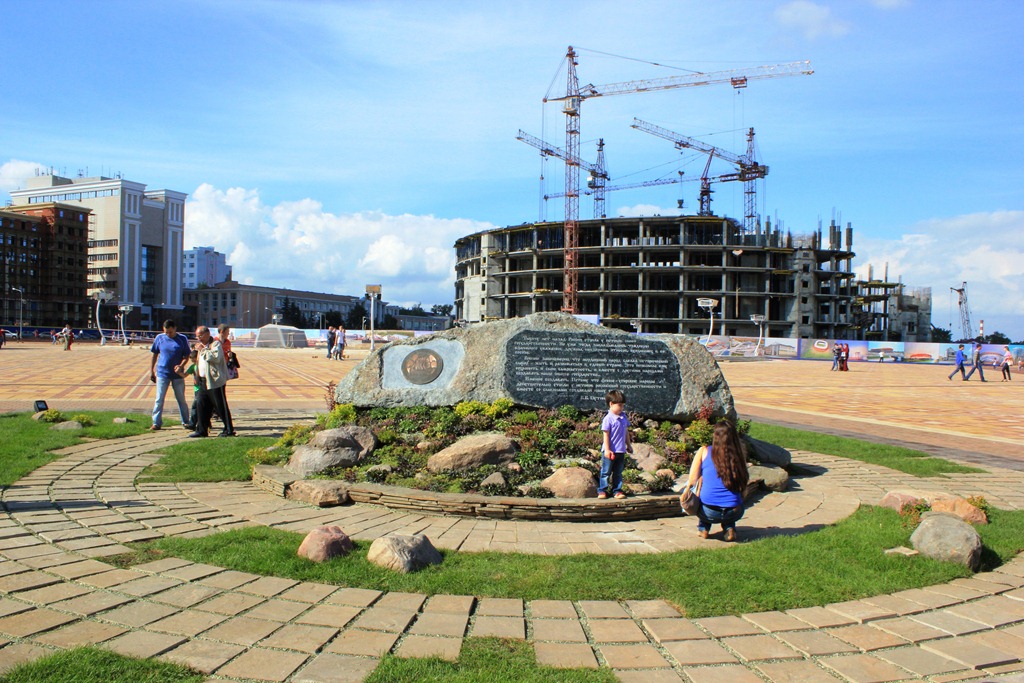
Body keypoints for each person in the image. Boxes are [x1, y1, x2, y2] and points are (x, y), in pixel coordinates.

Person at [685, 421, 749, 541]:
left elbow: (692, 480)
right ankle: (729, 527)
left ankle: (703, 528)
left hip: (708, 511)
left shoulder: (704, 451)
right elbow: (744, 481)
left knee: (702, 500)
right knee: (731, 501)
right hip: (735, 511)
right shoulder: (739, 454)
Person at [189, 325, 234, 438]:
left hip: (215, 381)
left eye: (200, 336)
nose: (198, 338)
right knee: (201, 404)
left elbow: (216, 358)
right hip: (203, 381)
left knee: (220, 405)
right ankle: (202, 430)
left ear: (207, 334)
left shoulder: (215, 344)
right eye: (197, 336)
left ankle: (229, 430)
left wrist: (202, 350)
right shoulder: (201, 346)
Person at [149, 319, 191, 431]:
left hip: (177, 375)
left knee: (181, 398)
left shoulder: (182, 339)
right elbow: (154, 354)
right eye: (166, 332)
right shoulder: (159, 338)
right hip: (162, 373)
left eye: (170, 332)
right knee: (159, 398)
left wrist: (181, 366)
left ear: (175, 329)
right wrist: (151, 370)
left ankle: (186, 421)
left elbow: (187, 356)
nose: (168, 334)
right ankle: (156, 422)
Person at [597, 389, 632, 500]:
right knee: (606, 472)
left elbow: (626, 432)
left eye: (623, 405)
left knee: (618, 472)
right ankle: (602, 490)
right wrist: (607, 450)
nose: (622, 408)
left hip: (620, 451)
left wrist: (629, 445)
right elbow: (606, 435)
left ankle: (617, 490)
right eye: (620, 405)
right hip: (610, 451)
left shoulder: (623, 417)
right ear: (611, 404)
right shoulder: (608, 419)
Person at [216, 323, 237, 435]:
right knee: (217, 393)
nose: (228, 334)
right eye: (227, 332)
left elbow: (228, 352)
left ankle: (218, 412)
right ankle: (216, 411)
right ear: (221, 332)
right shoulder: (214, 341)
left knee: (221, 391)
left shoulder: (227, 342)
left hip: (224, 369)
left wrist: (229, 355)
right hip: (215, 369)